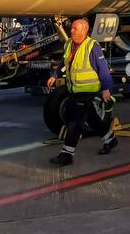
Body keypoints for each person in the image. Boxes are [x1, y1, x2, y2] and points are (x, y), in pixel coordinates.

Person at [47, 18, 117, 165]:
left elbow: (103, 70)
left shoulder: (92, 47)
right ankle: (110, 140)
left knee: (75, 121)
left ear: (84, 30)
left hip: (87, 90)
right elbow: (65, 64)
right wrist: (55, 75)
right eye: (71, 28)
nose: (71, 31)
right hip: (75, 89)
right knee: (91, 117)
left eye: (75, 29)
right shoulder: (68, 44)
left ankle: (67, 154)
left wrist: (106, 90)